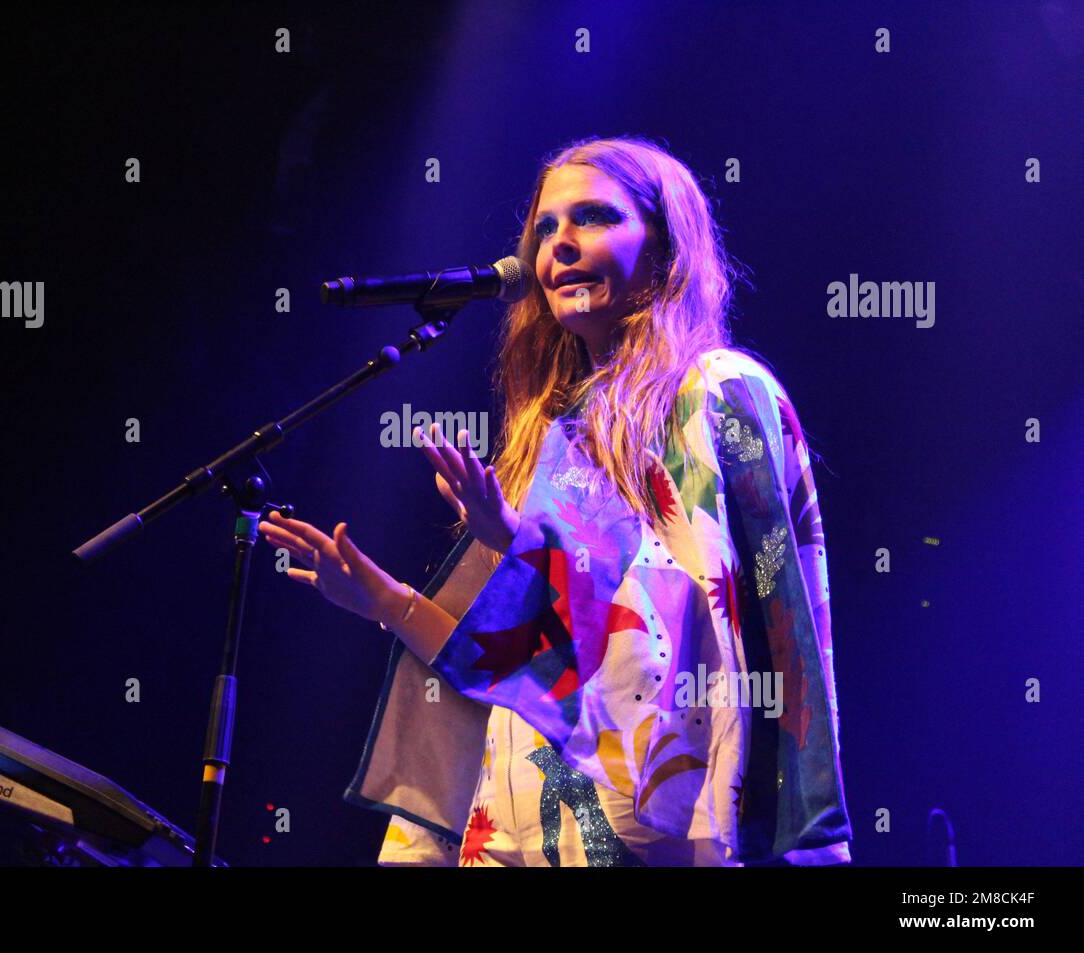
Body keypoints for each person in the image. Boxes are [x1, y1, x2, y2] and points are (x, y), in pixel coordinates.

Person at [261, 135, 852, 867]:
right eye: (546, 227)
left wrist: (520, 544)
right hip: (525, 817)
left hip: (655, 822)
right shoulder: (547, 430)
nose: (561, 245)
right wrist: (388, 601)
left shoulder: (718, 391)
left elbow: (712, 624)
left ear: (667, 245)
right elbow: (517, 658)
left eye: (595, 218)